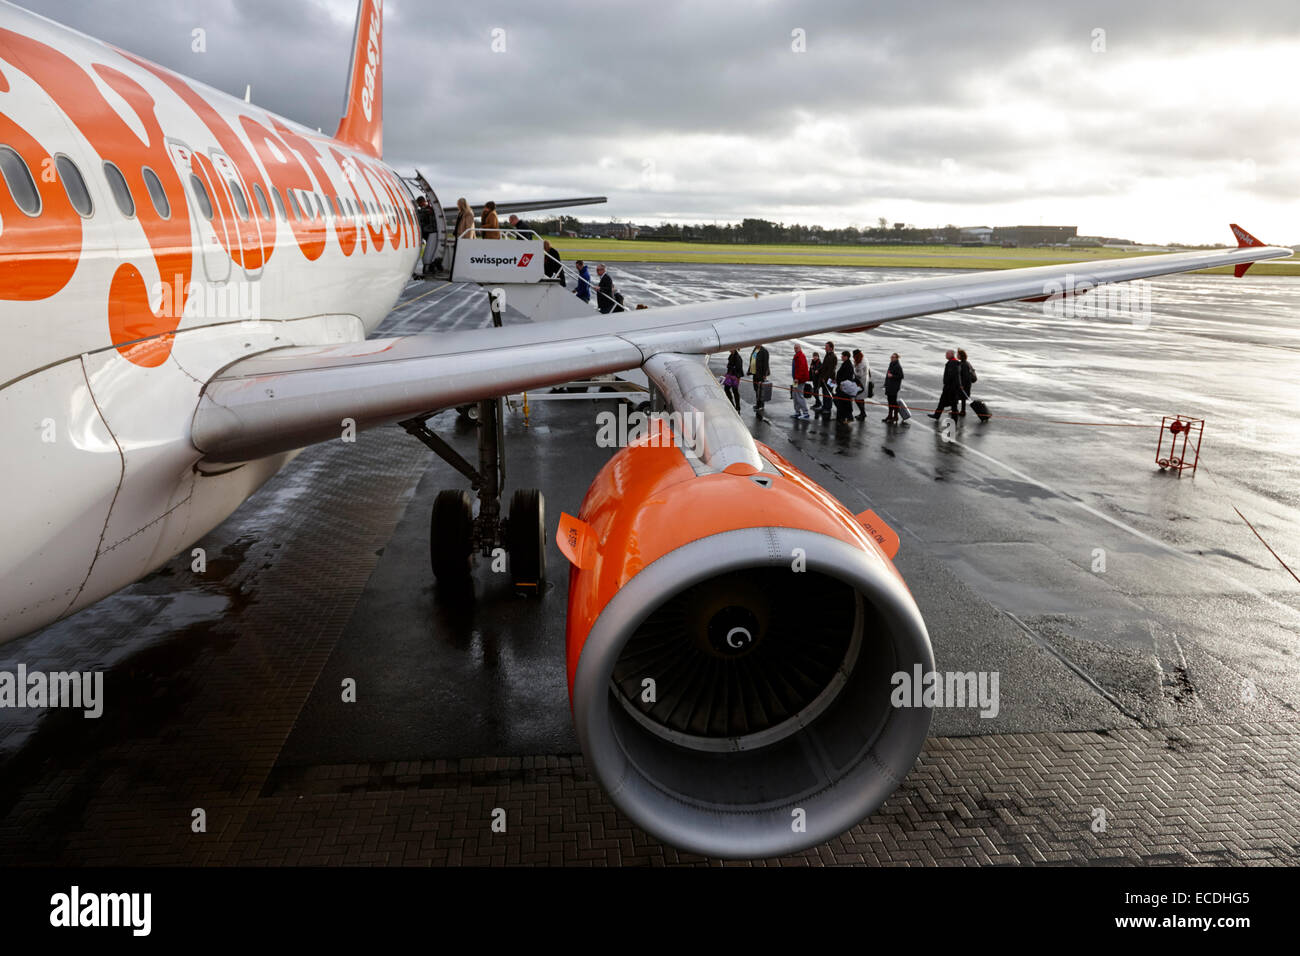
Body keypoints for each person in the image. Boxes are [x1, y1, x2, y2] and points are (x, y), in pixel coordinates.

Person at [928, 349, 962, 420]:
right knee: (943, 402)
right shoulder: (955, 363)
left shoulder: (952, 363)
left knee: (952, 404)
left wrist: (947, 383)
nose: (945, 355)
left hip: (950, 388)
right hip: (952, 387)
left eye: (947, 354)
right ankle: (937, 415)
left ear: (951, 355)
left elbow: (951, 376)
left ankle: (954, 418)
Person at [834, 350, 857, 422]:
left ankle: (846, 417)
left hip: (844, 387)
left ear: (846, 357)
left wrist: (841, 384)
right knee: (840, 402)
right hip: (842, 386)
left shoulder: (848, 365)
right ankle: (842, 416)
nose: (841, 357)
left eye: (842, 356)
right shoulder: (845, 363)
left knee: (844, 403)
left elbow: (847, 377)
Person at [816, 341, 837, 416]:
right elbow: (824, 365)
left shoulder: (833, 356)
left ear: (831, 348)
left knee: (828, 393)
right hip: (825, 378)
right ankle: (824, 406)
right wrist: (818, 370)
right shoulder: (828, 355)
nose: (825, 348)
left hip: (830, 379)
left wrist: (824, 378)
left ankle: (828, 409)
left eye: (826, 347)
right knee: (825, 393)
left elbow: (831, 370)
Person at [790, 345, 811, 420]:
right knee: (795, 395)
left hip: (799, 380)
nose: (795, 349)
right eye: (794, 348)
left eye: (797, 348)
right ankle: (797, 412)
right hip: (796, 379)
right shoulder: (797, 355)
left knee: (799, 395)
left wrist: (797, 378)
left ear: (800, 348)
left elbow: (801, 368)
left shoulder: (801, 356)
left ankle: (805, 413)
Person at [883, 353, 905, 423]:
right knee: (890, 401)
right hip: (889, 386)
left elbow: (901, 376)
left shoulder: (898, 366)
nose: (891, 358)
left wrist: (892, 376)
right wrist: (886, 383)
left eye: (893, 357)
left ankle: (895, 416)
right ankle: (890, 416)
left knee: (893, 402)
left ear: (897, 358)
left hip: (894, 387)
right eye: (891, 357)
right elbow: (888, 375)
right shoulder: (891, 364)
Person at [751, 342, 770, 413]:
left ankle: (761, 405)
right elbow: (752, 360)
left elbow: (766, 364)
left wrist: (764, 375)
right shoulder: (755, 349)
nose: (756, 344)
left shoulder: (764, 351)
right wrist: (750, 370)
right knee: (756, 390)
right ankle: (757, 404)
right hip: (755, 373)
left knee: (761, 391)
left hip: (760, 374)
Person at [957, 348, 977, 416]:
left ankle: (961, 411)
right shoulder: (966, 363)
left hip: (965, 384)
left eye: (958, 354)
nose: (957, 355)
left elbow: (965, 376)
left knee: (960, 397)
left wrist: (961, 385)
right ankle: (960, 410)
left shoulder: (963, 364)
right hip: (966, 384)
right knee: (961, 398)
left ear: (961, 356)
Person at [852, 348, 870, 420]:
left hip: (860, 382)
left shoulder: (860, 363)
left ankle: (863, 413)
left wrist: (854, 370)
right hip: (864, 381)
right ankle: (862, 413)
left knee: (857, 398)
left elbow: (859, 374)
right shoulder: (864, 359)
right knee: (861, 398)